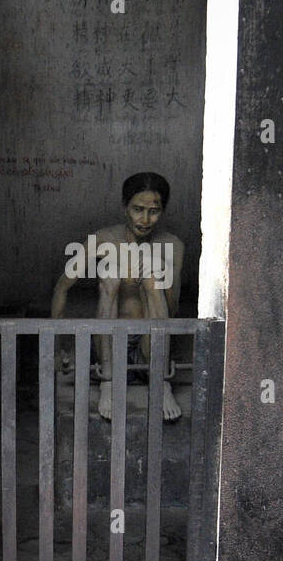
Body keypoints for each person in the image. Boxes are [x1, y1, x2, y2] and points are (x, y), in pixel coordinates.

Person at [50, 171, 185, 421]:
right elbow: (62, 287)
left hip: (149, 343)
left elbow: (173, 308)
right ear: (125, 208)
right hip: (108, 344)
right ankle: (108, 382)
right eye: (137, 209)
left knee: (154, 277)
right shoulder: (104, 239)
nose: (144, 219)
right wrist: (58, 348)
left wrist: (160, 272)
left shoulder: (173, 245)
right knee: (111, 274)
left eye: (153, 211)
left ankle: (161, 383)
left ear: (162, 211)